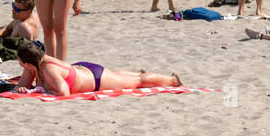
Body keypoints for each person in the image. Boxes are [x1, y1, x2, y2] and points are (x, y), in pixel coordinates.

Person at [14, 40, 180, 95]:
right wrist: (23, 89)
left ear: (27, 62)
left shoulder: (49, 69)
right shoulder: (33, 65)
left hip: (95, 78)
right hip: (82, 70)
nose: (20, 65)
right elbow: (21, 87)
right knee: (116, 75)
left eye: (21, 62)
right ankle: (136, 72)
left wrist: (44, 91)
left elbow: (63, 92)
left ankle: (173, 80)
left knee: (138, 82)